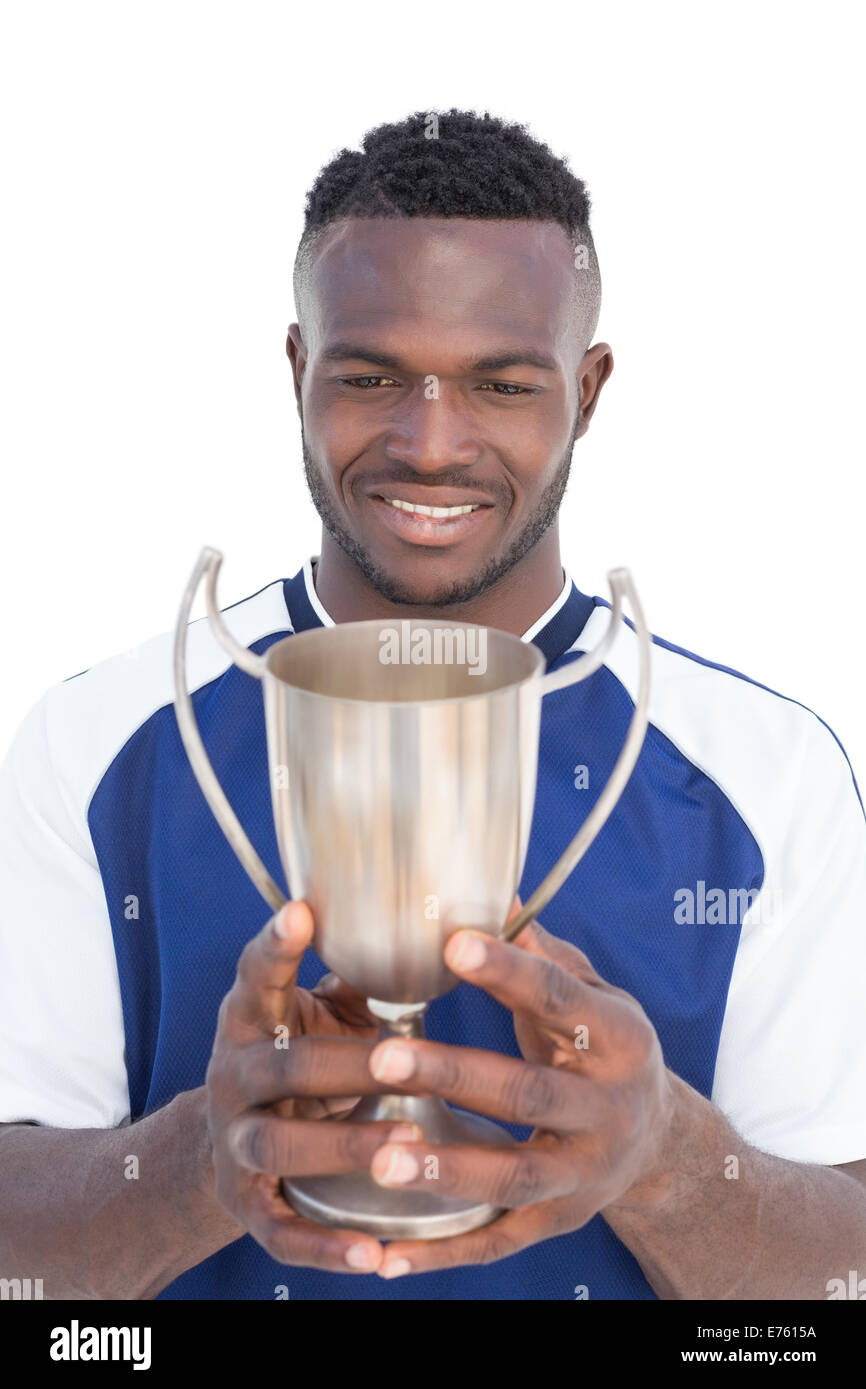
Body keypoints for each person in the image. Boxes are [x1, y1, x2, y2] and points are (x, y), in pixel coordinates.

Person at [1, 109, 865, 1302]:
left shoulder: (768, 774)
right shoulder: (97, 743)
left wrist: (664, 1158)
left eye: (501, 382)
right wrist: (199, 1162)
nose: (428, 440)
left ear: (589, 388)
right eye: (368, 376)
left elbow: (839, 1280)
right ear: (298, 370)